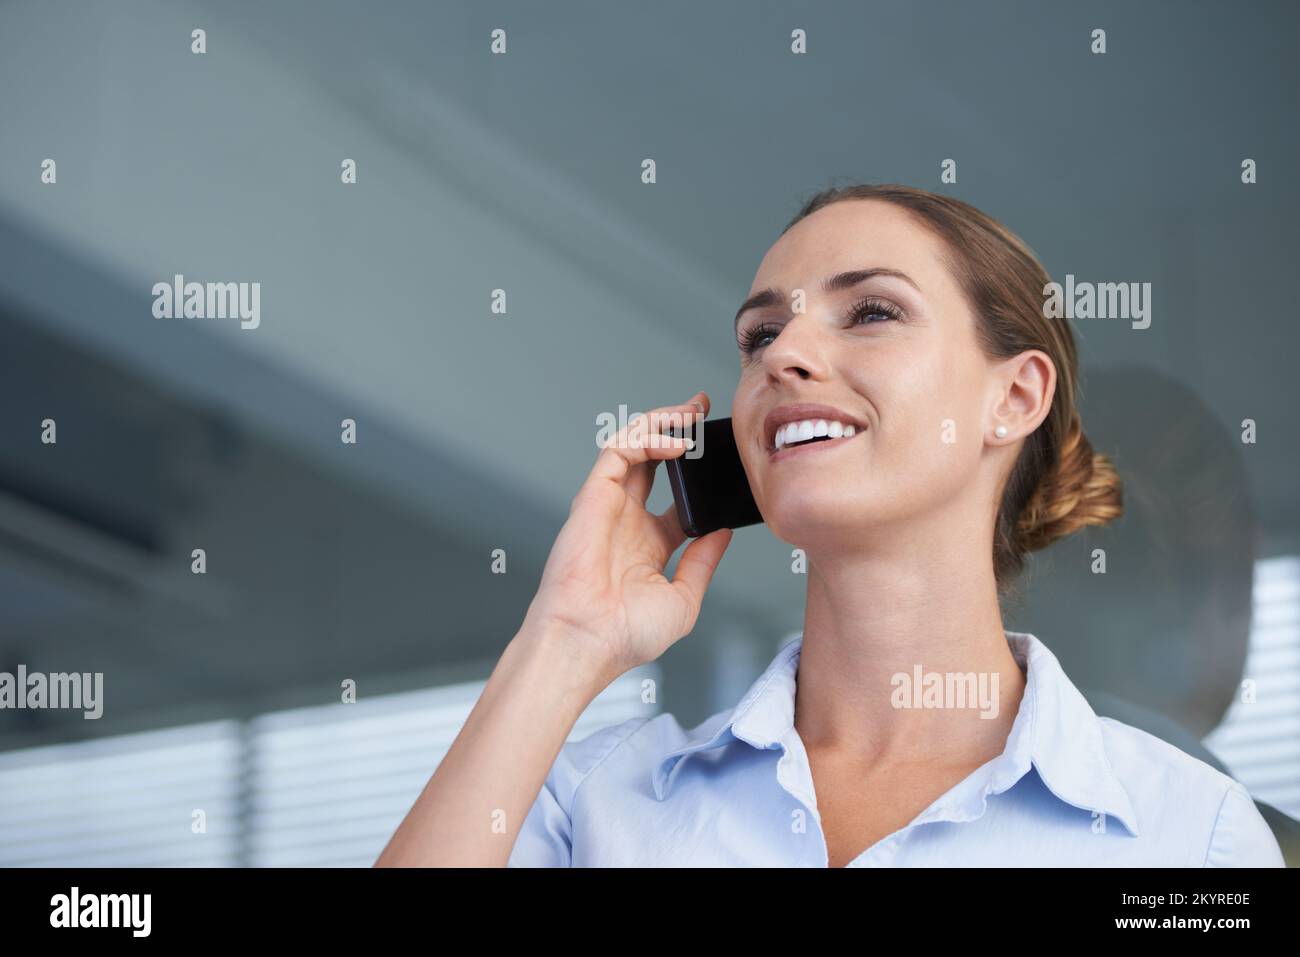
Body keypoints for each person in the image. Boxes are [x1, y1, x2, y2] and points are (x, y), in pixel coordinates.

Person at [374, 184, 1286, 867]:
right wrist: (565, 634)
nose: (788, 355)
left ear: (1014, 397)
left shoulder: (1185, 836)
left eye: (873, 311)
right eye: (760, 336)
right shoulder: (598, 799)